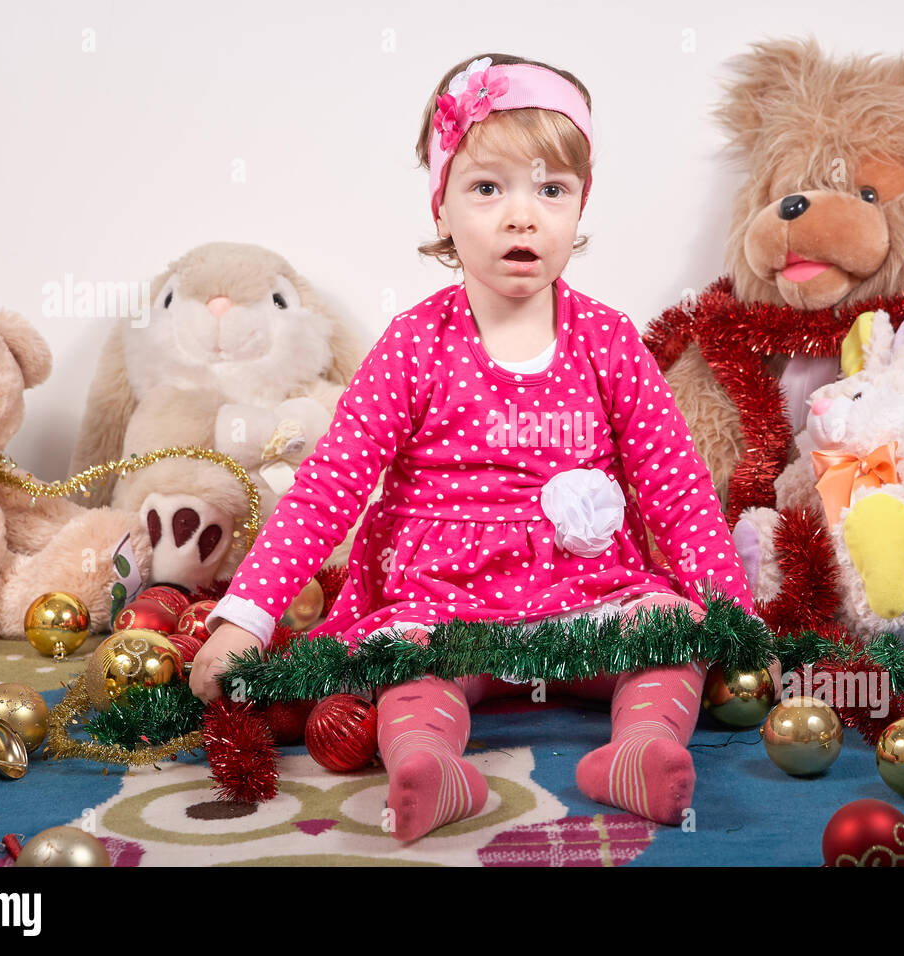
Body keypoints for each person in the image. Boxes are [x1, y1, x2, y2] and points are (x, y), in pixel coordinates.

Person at [190, 52, 777, 842]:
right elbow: (331, 484)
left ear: (578, 206)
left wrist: (733, 618)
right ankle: (429, 765)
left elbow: (675, 491)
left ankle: (642, 747)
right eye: (487, 189)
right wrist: (247, 617)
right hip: (444, 598)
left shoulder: (606, 340)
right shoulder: (415, 345)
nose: (521, 216)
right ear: (443, 211)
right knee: (410, 670)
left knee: (669, 639)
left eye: (551, 190)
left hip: (585, 594)